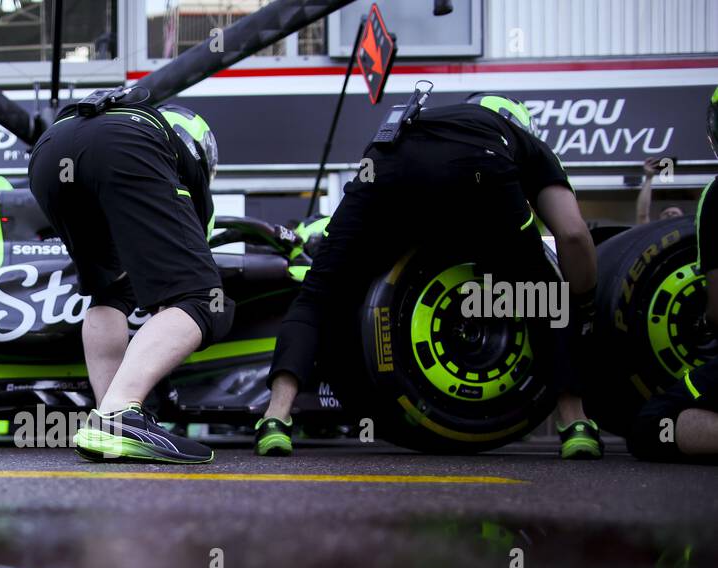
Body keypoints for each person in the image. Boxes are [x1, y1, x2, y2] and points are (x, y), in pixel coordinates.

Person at [256, 93, 603, 460]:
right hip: (479, 167)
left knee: (318, 295)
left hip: (387, 161)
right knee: (547, 300)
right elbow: (574, 235)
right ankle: (575, 422)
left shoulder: (424, 118)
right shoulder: (523, 141)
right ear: (520, 125)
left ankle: (276, 418)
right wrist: (583, 303)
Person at [28, 86, 231, 463]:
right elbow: (182, 289)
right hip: (123, 144)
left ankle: (106, 420)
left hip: (49, 149)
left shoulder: (125, 122)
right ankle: (121, 413)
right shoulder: (180, 154)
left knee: (110, 293)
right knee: (204, 301)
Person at [629, 85, 718, 462]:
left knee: (654, 425)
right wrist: (648, 180)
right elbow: (640, 223)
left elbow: (717, 314)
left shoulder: (714, 198)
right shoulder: (653, 231)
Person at [636, 157, 686, 224]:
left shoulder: (689, 233)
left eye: (675, 213)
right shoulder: (656, 233)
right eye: (665, 214)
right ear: (660, 219)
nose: (670, 215)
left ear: (683, 219)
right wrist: (649, 178)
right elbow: (642, 216)